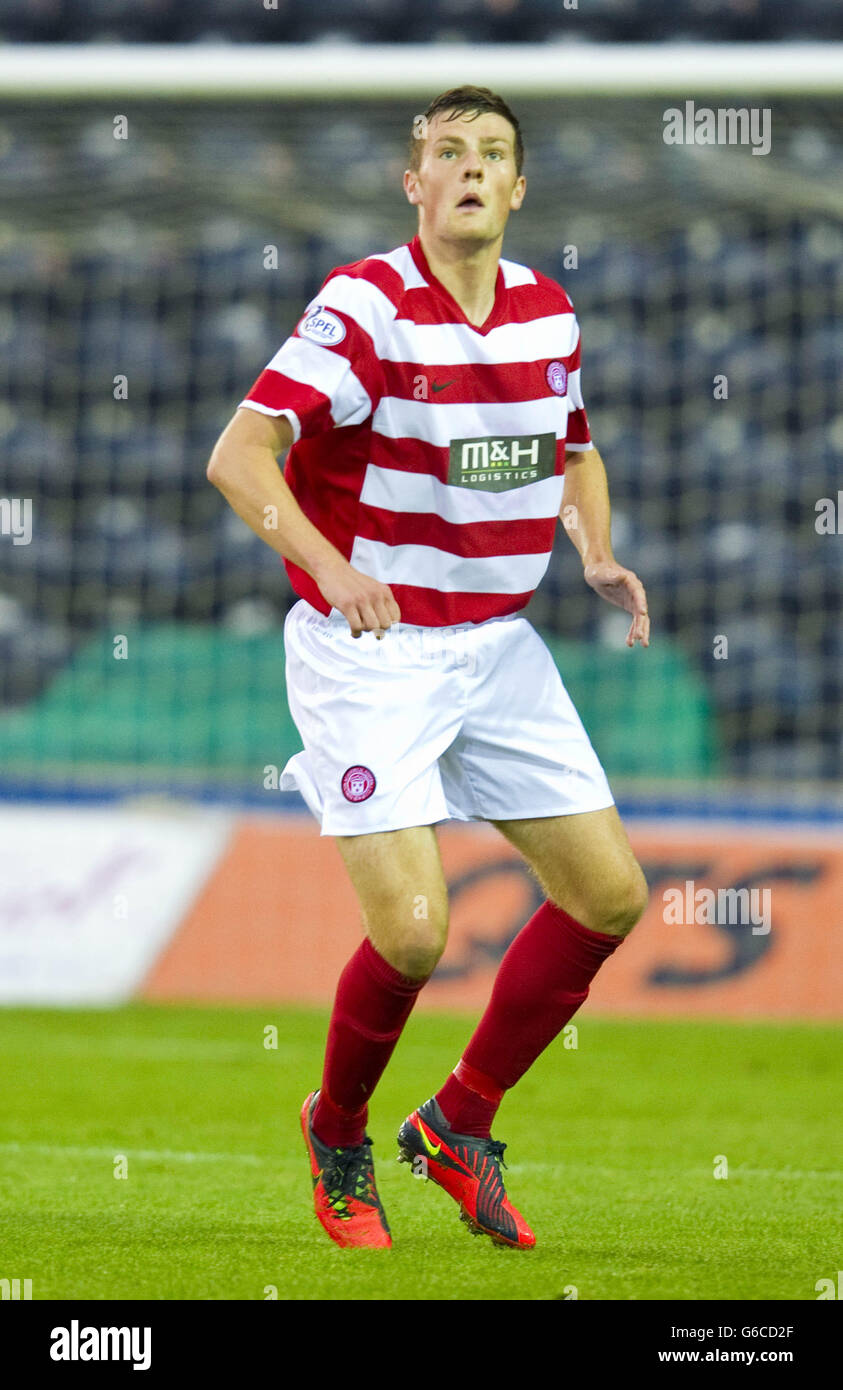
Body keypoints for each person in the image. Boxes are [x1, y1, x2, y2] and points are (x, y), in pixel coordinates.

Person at [207, 86, 650, 1250]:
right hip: (373, 653)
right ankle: (338, 1129)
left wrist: (594, 548)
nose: (469, 168)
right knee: (414, 932)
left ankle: (459, 1123)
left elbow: (575, 450)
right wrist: (330, 566)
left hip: (498, 644)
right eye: (446, 151)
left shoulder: (548, 314)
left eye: (491, 154)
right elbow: (238, 454)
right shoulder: (363, 306)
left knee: (609, 897)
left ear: (518, 189)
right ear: (415, 184)